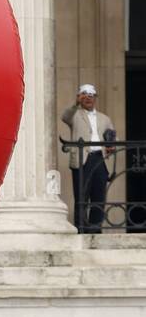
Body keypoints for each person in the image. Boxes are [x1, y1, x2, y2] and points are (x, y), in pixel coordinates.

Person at [61, 85, 115, 233]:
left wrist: (111, 146)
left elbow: (112, 136)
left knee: (99, 197)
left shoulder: (105, 118)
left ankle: (95, 229)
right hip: (82, 159)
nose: (88, 98)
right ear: (80, 97)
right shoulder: (75, 115)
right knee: (81, 196)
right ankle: (82, 229)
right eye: (84, 95)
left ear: (95, 98)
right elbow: (65, 117)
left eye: (91, 95)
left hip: (99, 159)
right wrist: (75, 103)